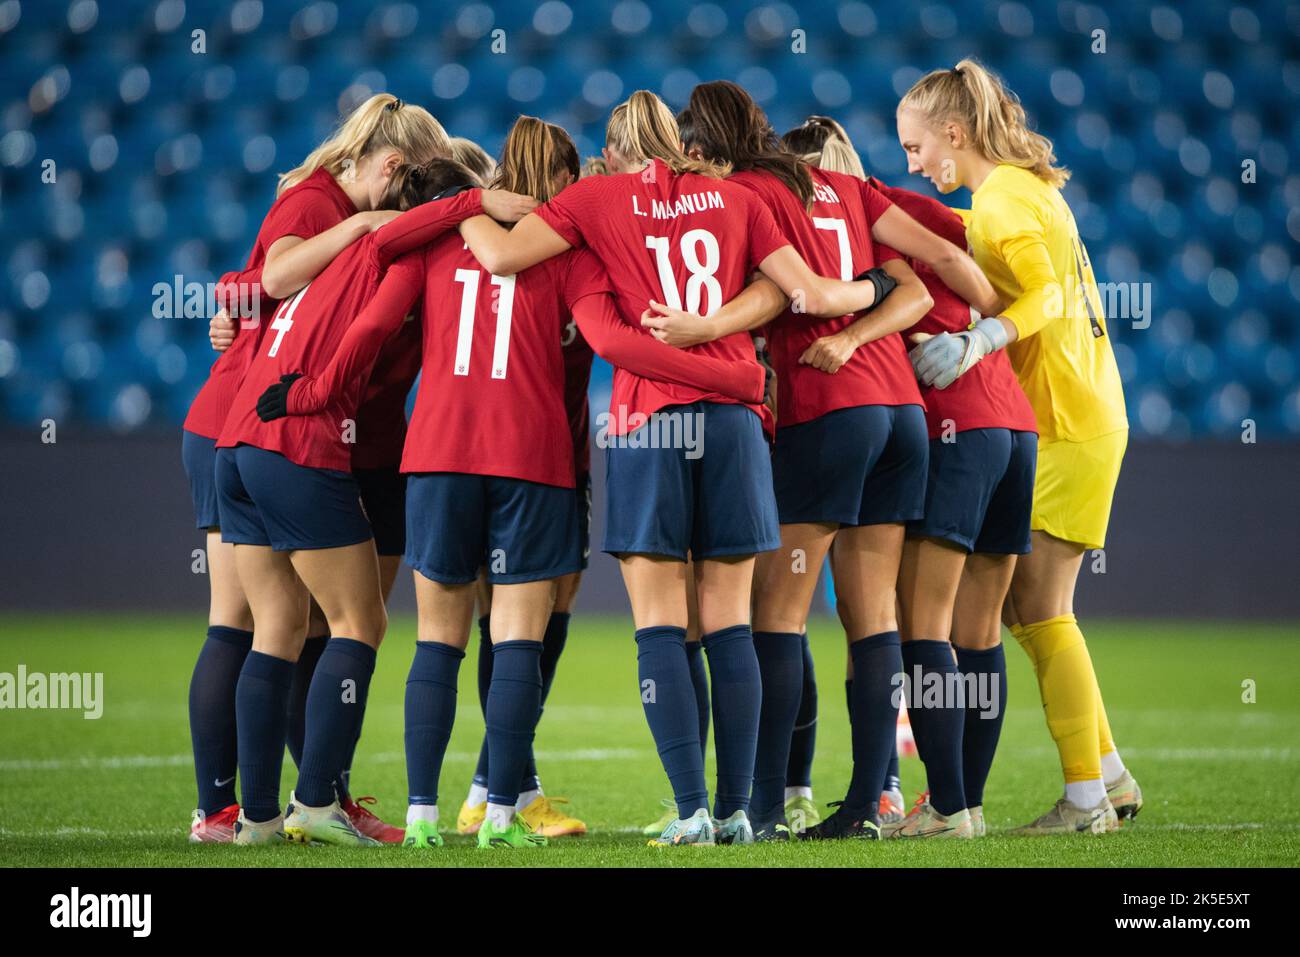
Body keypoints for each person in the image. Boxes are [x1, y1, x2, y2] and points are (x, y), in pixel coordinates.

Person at [454, 91, 897, 846]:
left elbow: (496, 255)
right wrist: (722, 344)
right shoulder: (732, 198)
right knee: (731, 619)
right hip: (734, 427)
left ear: (618, 150)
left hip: (647, 423)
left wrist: (455, 202)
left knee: (661, 622)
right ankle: (738, 812)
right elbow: (789, 289)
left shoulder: (596, 200)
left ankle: (691, 807)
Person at [641, 80, 999, 840]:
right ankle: (868, 805)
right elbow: (916, 277)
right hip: (902, 415)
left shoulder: (743, 194)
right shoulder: (845, 183)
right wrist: (977, 314)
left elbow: (787, 296)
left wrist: (821, 317)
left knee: (777, 613)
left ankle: (765, 804)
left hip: (829, 409)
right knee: (876, 618)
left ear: (704, 149)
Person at [215, 158, 529, 845]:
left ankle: (258, 816)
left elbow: (249, 293)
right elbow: (364, 333)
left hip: (234, 445)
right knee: (360, 621)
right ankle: (317, 801)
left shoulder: (329, 251)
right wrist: (483, 201)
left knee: (276, 628)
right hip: (296, 443)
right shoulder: (386, 244)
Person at [184, 93, 451, 842]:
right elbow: (268, 279)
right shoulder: (320, 202)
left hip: (268, 426)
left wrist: (229, 307)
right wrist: (367, 226)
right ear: (397, 168)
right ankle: (241, 805)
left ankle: (273, 809)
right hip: (266, 420)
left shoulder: (338, 214)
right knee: (258, 619)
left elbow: (243, 287)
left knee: (289, 623)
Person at [898, 60, 1141, 834]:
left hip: (1066, 418)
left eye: (915, 147)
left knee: (1041, 609)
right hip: (1082, 409)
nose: (912, 163)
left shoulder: (1001, 199)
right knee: (1019, 606)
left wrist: (980, 339)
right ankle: (1105, 773)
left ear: (954, 133)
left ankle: (1085, 797)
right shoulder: (1028, 189)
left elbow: (1052, 296)